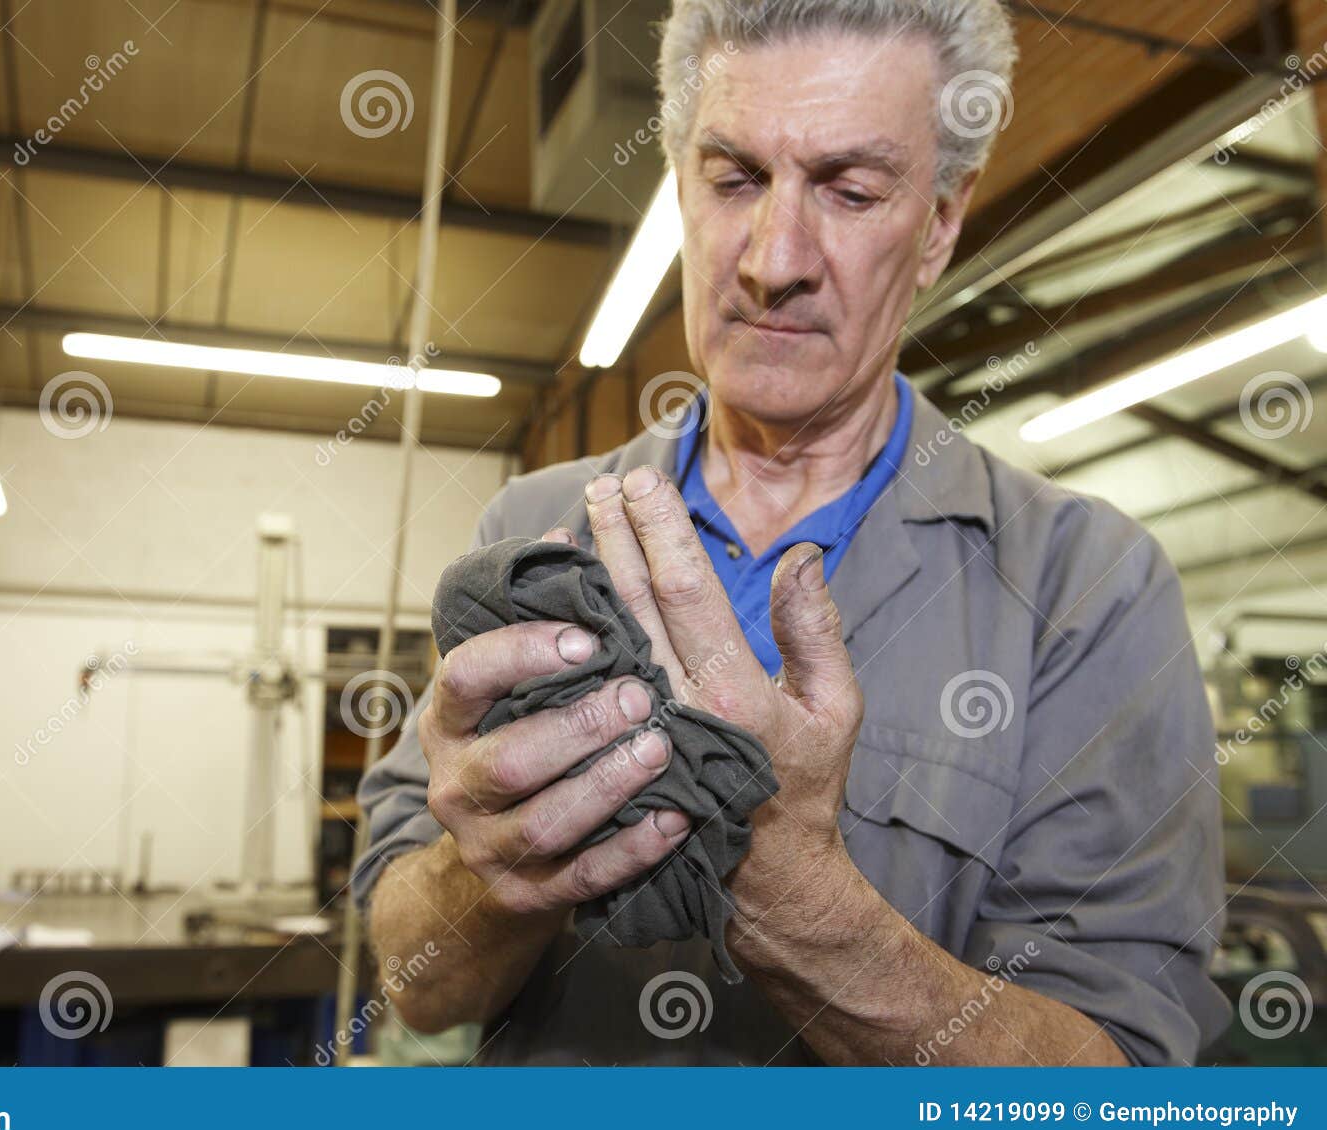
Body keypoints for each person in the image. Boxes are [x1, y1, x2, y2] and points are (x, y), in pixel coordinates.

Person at [354, 0, 1230, 1065]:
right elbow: (414, 979)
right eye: (732, 179)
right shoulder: (533, 534)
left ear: (938, 228)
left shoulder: (1086, 588)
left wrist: (791, 889)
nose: (773, 258)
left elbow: (1116, 1088)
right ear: (678, 188)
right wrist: (482, 875)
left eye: (850, 190)